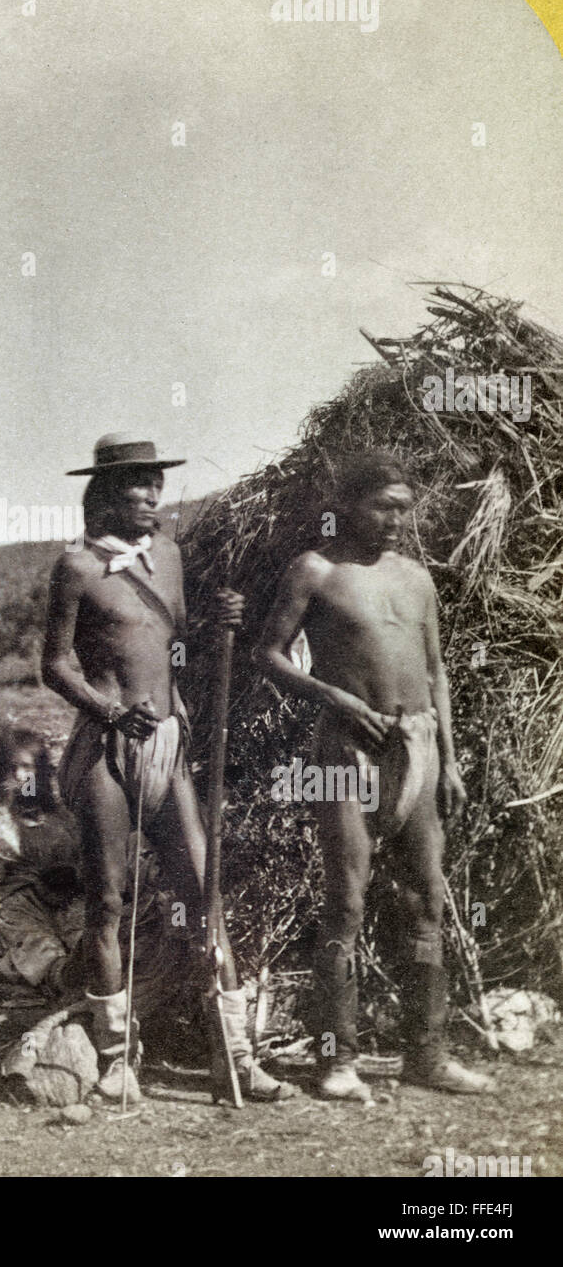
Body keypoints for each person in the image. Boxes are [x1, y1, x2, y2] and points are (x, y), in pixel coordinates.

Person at [41, 432, 296, 1104]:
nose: (150, 496)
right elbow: (55, 663)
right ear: (103, 494)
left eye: (155, 484)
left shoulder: (171, 559)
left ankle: (233, 1058)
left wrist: (221, 624)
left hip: (168, 744)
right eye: (135, 486)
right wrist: (107, 710)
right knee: (107, 900)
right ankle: (115, 1057)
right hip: (105, 749)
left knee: (201, 889)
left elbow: (171, 643)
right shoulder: (76, 567)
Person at [255, 449, 493, 1100]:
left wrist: (450, 759)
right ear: (350, 506)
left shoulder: (416, 578)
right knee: (347, 901)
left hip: (417, 748)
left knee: (427, 899)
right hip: (346, 752)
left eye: (402, 510)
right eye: (381, 507)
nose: (394, 520)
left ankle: (427, 1054)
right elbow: (269, 654)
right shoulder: (316, 570)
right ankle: (337, 1060)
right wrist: (332, 697)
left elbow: (437, 672)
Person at [0, 726, 83, 994]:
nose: (19, 776)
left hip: (64, 899)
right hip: (14, 902)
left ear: (41, 772)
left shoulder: (59, 816)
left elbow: (82, 856)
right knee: (36, 945)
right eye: (10, 769)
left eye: (27, 768)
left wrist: (72, 873)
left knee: (84, 934)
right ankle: (61, 977)